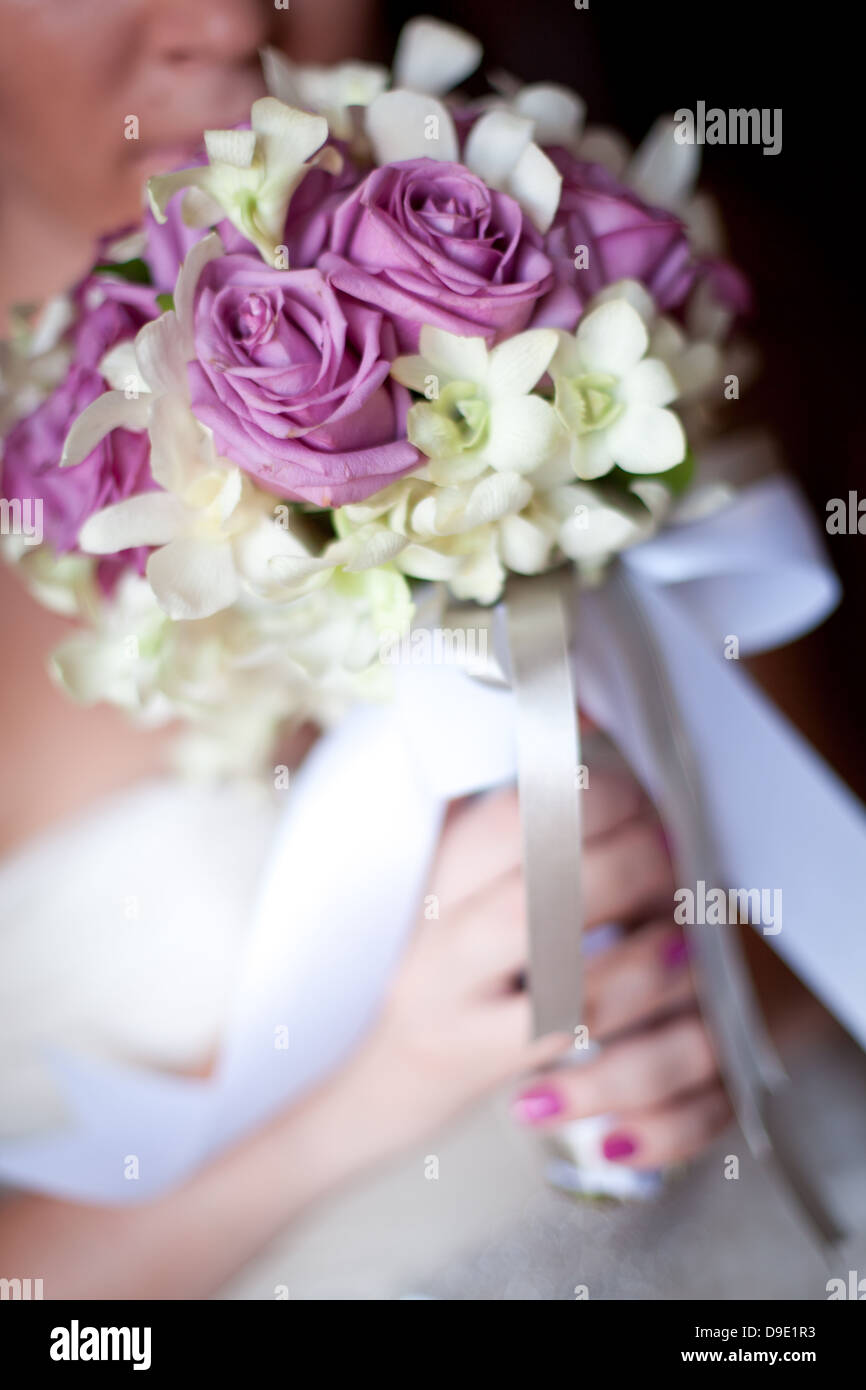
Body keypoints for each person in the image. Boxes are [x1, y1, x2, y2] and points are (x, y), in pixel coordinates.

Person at [0, 0, 843, 1301]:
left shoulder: (589, 284)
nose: (228, 21)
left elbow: (813, 908)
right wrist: (380, 1085)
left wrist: (694, 977)